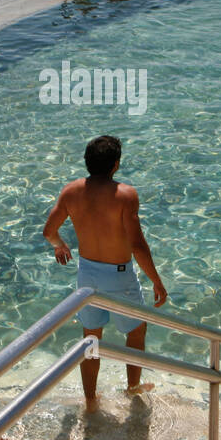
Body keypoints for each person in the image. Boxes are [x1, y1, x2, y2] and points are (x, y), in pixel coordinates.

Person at [43, 136, 168, 411]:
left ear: (87, 162)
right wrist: (156, 281)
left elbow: (49, 231)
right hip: (119, 276)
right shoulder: (125, 195)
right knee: (136, 331)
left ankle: (90, 400)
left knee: (91, 338)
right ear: (116, 165)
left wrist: (59, 245)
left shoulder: (70, 192)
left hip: (87, 275)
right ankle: (133, 389)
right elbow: (137, 245)